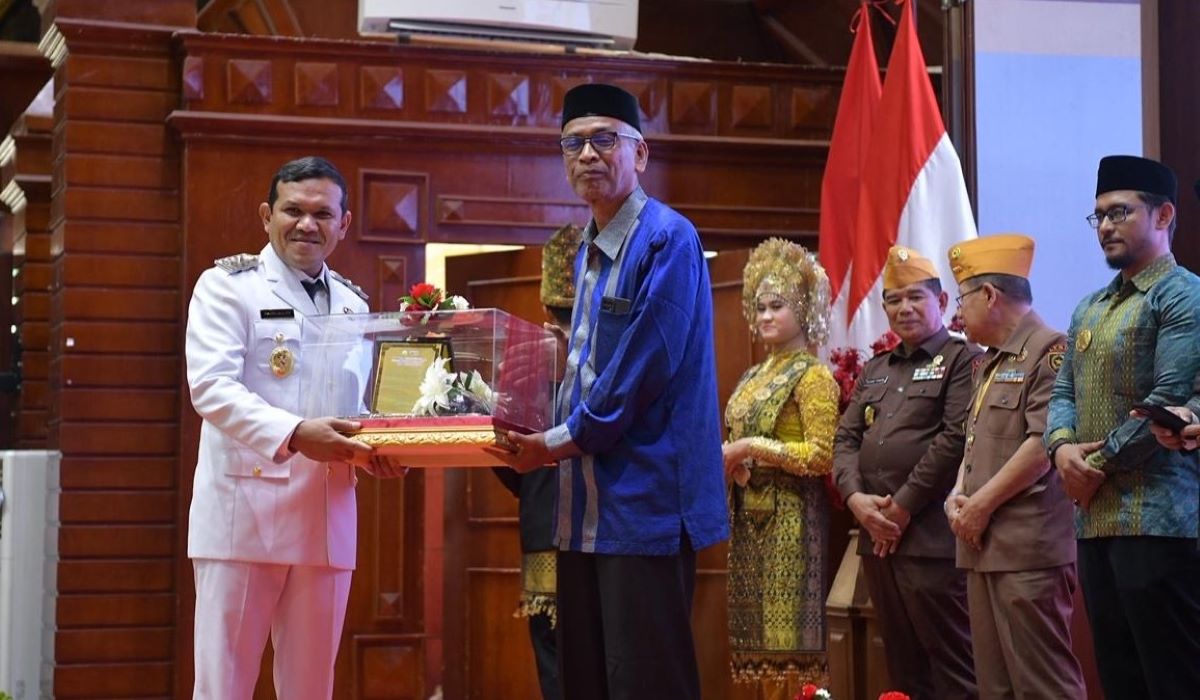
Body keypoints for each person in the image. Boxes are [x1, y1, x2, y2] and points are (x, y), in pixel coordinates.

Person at [490, 83, 728, 700]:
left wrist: (552, 442)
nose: (588, 155)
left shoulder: (667, 240)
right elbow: (593, 366)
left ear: (640, 153)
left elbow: (638, 377)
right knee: (588, 683)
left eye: (604, 140)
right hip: (582, 511)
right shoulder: (587, 252)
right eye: (574, 143)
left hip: (643, 506)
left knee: (646, 684)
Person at [186, 156, 400, 699]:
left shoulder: (355, 304)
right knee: (223, 687)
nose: (308, 224)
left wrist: (380, 447)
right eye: (293, 210)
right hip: (243, 515)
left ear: (344, 223)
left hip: (326, 515)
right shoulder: (227, 287)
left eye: (323, 213)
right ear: (267, 215)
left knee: (311, 689)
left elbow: (361, 408)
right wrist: (299, 433)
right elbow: (211, 386)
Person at [1044, 155, 1200, 698]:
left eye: (1120, 212)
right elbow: (1062, 391)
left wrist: (1093, 467)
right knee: (1119, 678)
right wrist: (1061, 449)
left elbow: (1170, 399)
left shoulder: (1182, 294)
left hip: (1158, 520)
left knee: (1171, 679)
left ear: (1163, 217)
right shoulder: (1091, 307)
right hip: (1096, 522)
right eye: (1099, 217)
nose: (1106, 226)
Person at [832, 245, 978, 700]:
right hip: (878, 543)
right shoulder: (877, 367)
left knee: (954, 668)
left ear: (942, 303)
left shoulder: (962, 360)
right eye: (894, 299)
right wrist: (857, 501)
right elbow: (845, 441)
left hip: (931, 541)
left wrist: (900, 509)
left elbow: (954, 440)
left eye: (916, 297)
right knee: (902, 669)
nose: (904, 308)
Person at [944, 234, 1084, 699]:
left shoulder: (1050, 350)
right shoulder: (985, 364)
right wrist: (958, 494)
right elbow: (974, 441)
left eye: (962, 297)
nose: (956, 312)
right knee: (996, 688)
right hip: (982, 546)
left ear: (990, 295)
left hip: (1027, 549)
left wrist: (979, 505)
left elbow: (1042, 444)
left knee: (1044, 687)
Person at [722, 239, 839, 696]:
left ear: (805, 310)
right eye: (761, 306)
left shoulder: (813, 376)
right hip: (748, 519)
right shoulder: (753, 375)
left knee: (790, 650)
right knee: (757, 652)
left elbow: (820, 455)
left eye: (778, 306)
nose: (767, 316)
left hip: (793, 522)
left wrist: (752, 445)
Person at [490, 222, 583, 700]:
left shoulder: (525, 360)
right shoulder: (612, 360)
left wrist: (533, 482)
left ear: (545, 308)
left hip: (545, 522)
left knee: (554, 659)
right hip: (601, 524)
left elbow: (503, 453)